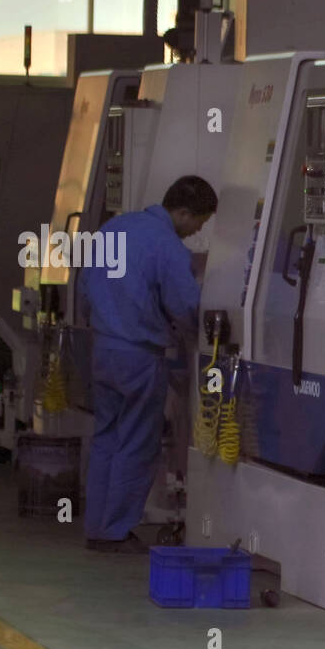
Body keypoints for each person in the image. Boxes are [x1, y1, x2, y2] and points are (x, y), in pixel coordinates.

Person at [79, 175, 216, 553]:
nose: (197, 230)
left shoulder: (112, 229)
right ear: (183, 212)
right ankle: (115, 531)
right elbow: (186, 307)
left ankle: (97, 527)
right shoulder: (168, 247)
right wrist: (198, 335)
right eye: (199, 222)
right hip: (139, 357)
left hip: (103, 349)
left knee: (106, 438)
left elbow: (85, 288)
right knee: (137, 443)